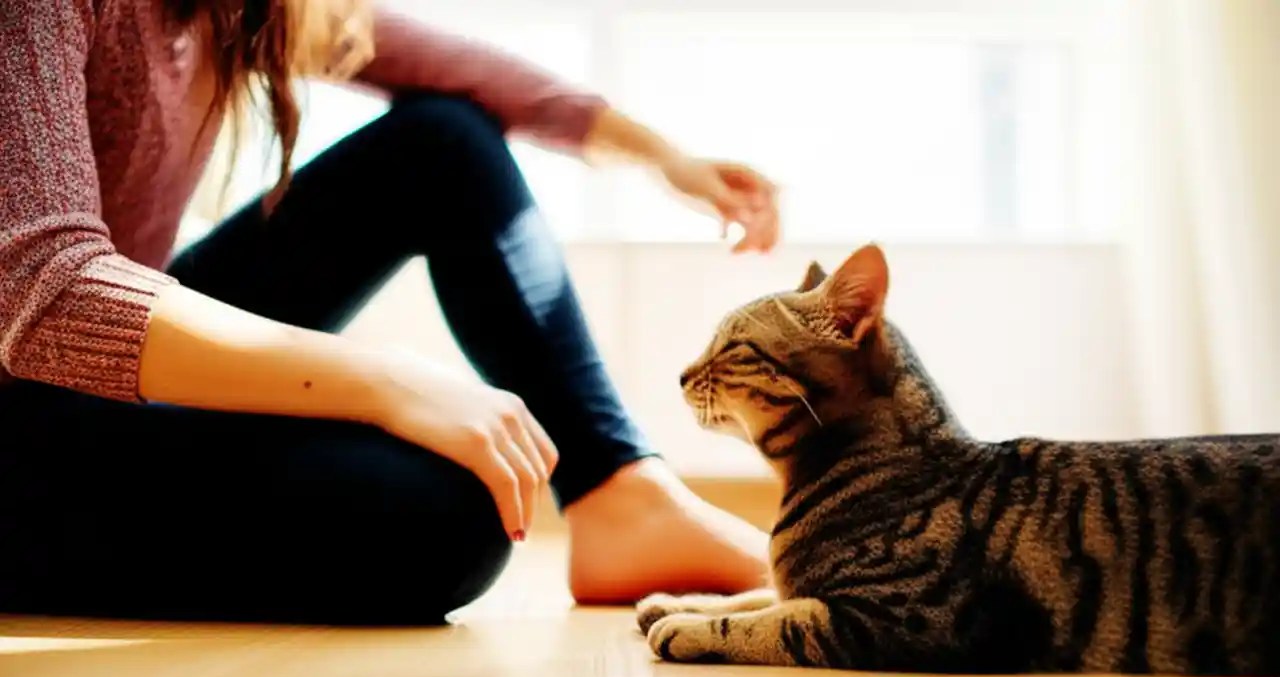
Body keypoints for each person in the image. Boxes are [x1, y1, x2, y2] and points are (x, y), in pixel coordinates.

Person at [0, 0, 781, 623]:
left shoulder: (236, 8)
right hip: (22, 427)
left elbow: (449, 65)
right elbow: (48, 291)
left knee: (441, 147)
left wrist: (660, 156)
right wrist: (386, 382)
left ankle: (622, 494)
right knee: (453, 519)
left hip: (88, 394)